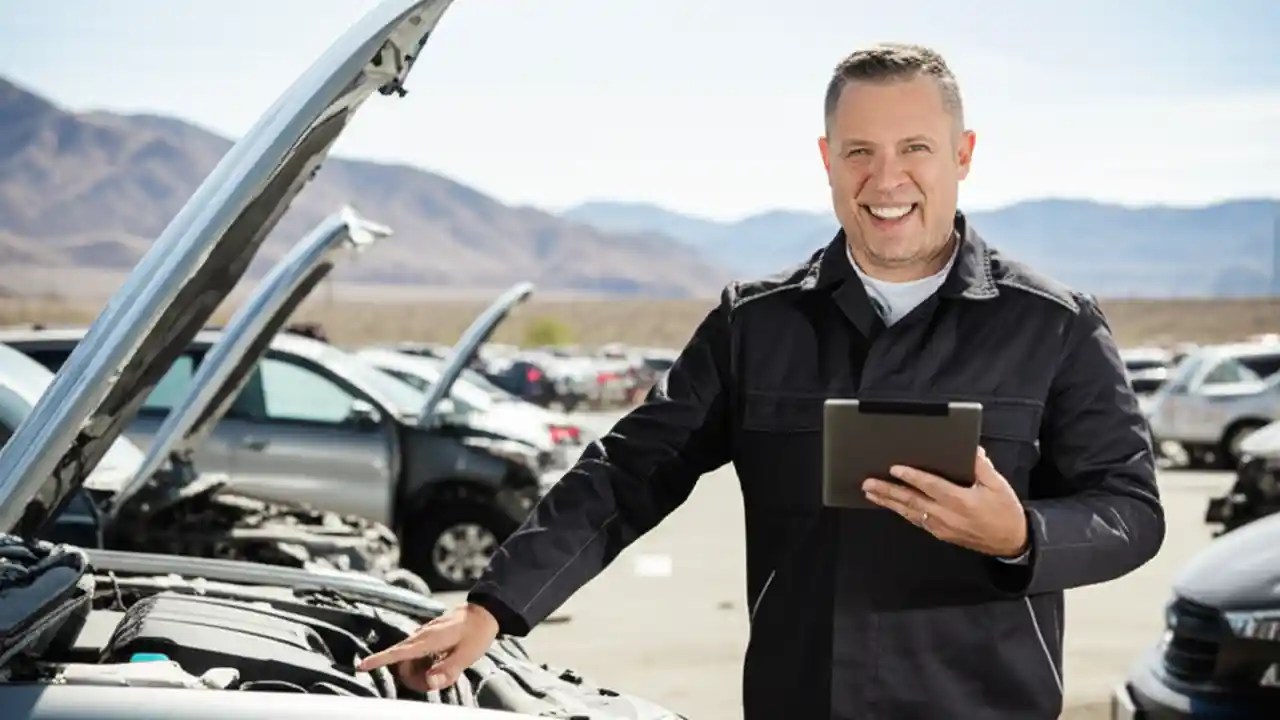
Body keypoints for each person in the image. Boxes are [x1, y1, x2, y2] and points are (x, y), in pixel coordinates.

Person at [359, 43, 1165, 719]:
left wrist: (1022, 536)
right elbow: (629, 472)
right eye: (860, 151)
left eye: (915, 148)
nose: (886, 180)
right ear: (826, 160)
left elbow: (1130, 510)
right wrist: (493, 607)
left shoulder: (1052, 325)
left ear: (962, 154)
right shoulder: (758, 325)